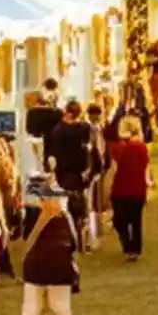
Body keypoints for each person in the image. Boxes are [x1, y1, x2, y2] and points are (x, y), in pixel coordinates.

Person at [6, 178, 85, 315]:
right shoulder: (66, 218)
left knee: (31, 308)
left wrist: (28, 244)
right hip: (61, 265)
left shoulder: (45, 217)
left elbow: (33, 237)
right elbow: (73, 242)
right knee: (61, 307)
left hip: (39, 266)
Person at [46, 101, 95, 253]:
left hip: (64, 173)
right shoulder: (83, 129)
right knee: (79, 207)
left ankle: (71, 238)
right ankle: (81, 238)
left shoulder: (58, 131)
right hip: (79, 174)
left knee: (68, 207)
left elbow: (51, 154)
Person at [108, 116, 152, 262]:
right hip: (138, 188)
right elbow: (146, 168)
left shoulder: (117, 147)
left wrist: (107, 187)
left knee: (119, 220)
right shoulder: (142, 147)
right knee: (135, 220)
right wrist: (148, 184)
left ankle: (128, 245)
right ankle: (134, 248)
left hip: (120, 188)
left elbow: (113, 169)